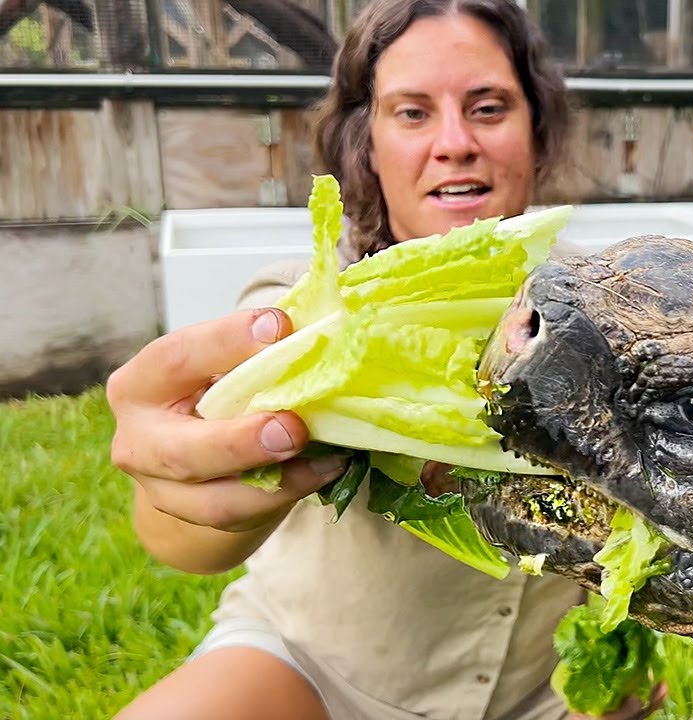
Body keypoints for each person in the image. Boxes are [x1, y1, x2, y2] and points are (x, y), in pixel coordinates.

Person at [108, 2, 664, 718]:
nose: (455, 142)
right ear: (365, 144)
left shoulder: (609, 309)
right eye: (412, 113)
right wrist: (188, 475)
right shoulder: (304, 306)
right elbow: (179, 534)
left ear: (536, 130)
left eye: (488, 108)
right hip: (313, 669)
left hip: (541, 691)